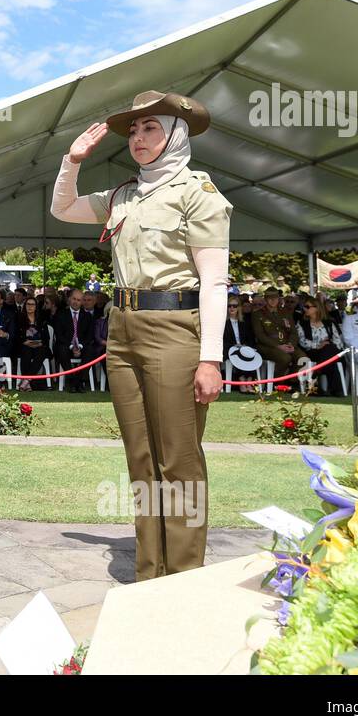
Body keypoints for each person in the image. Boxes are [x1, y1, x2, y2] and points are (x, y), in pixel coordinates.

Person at [50, 90, 229, 582]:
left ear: (176, 133)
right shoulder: (123, 195)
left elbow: (214, 281)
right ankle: (150, 573)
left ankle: (186, 574)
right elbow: (63, 208)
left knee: (180, 460)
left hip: (176, 329)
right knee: (141, 459)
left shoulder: (199, 193)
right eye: (134, 130)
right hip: (123, 329)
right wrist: (73, 160)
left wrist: (210, 359)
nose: (138, 138)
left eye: (151, 128)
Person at [296, 298, 344, 394]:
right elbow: (302, 341)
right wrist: (318, 345)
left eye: (307, 307)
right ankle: (335, 389)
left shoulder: (329, 323)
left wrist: (327, 345)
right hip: (312, 352)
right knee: (331, 360)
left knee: (330, 348)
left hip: (330, 351)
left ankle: (317, 372)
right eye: (304, 307)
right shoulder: (301, 323)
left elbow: (338, 341)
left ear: (317, 308)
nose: (305, 309)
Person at [252, 287, 305, 372]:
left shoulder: (285, 312)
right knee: (285, 358)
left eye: (275, 297)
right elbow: (260, 335)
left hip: (287, 344)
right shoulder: (258, 314)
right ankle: (276, 382)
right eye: (270, 298)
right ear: (265, 299)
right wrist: (278, 346)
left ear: (279, 298)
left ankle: (292, 381)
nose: (273, 300)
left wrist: (291, 344)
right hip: (268, 346)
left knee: (303, 358)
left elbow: (293, 332)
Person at [15, 296, 50, 391]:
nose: (30, 306)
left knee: (41, 352)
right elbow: (16, 336)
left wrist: (40, 343)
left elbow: (47, 337)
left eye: (32, 304)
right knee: (26, 352)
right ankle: (28, 383)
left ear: (36, 307)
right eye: (28, 304)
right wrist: (25, 342)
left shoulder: (41, 319)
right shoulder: (19, 318)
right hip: (24, 345)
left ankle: (26, 381)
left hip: (39, 345)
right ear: (25, 306)